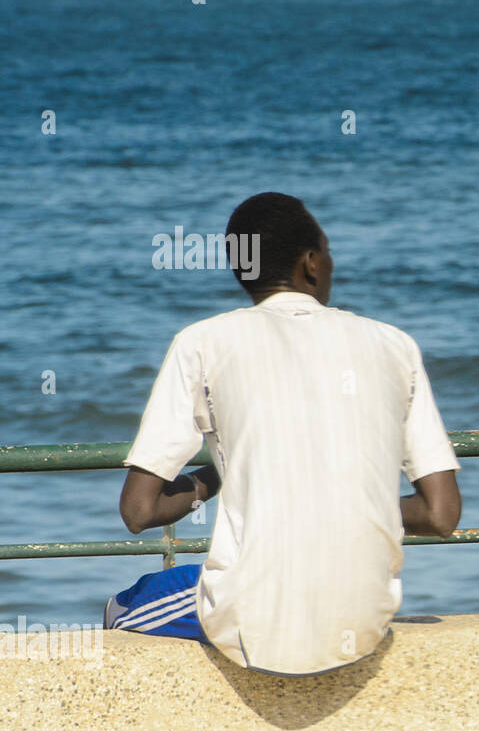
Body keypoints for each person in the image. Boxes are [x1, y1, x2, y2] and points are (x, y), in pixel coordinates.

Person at [106, 192, 461, 675]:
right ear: (311, 264)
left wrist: (220, 476)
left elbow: (138, 510)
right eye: (328, 251)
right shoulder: (394, 345)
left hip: (256, 627)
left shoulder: (201, 343)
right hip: (364, 619)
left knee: (125, 605)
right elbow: (442, 514)